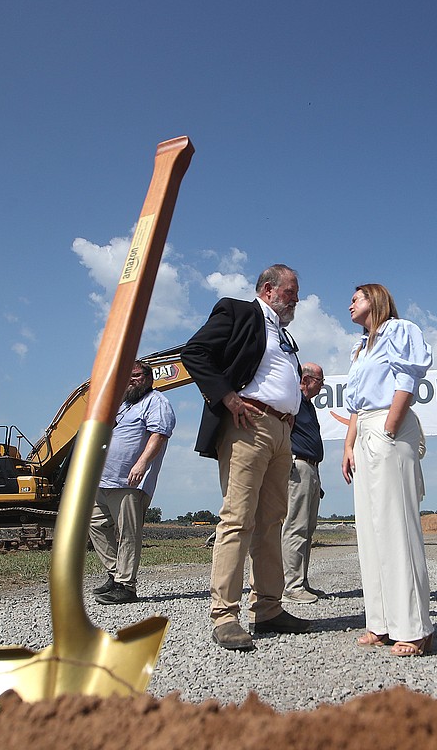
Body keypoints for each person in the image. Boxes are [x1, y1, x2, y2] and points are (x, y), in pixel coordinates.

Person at [182, 263, 312, 651]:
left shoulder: (284, 335)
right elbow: (196, 352)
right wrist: (227, 396)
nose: (297, 300)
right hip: (248, 424)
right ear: (269, 289)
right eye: (292, 292)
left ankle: (269, 607)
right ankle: (225, 615)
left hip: (282, 431)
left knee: (271, 520)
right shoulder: (238, 312)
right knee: (238, 517)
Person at [341, 283, 434, 657]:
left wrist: (390, 428)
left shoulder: (398, 330)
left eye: (356, 298)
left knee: (396, 527)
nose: (349, 304)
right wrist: (348, 445)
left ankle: (415, 628)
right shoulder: (360, 348)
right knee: (371, 531)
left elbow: (406, 381)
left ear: (375, 301)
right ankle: (380, 623)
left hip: (389, 427)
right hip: (365, 429)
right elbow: (356, 405)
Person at [89, 360, 176, 605]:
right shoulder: (124, 405)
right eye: (127, 376)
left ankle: (126, 586)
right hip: (103, 479)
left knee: (128, 532)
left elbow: (159, 434)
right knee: (94, 523)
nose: (131, 380)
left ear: (149, 378)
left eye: (136, 375)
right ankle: (115, 574)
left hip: (129, 481)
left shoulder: (156, 402)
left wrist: (141, 464)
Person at [282, 362, 326, 604]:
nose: (322, 387)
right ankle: (291, 585)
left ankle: (302, 581)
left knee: (307, 529)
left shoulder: (307, 405)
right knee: (295, 527)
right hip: (297, 467)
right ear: (307, 380)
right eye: (321, 381)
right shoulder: (294, 400)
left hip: (310, 469)